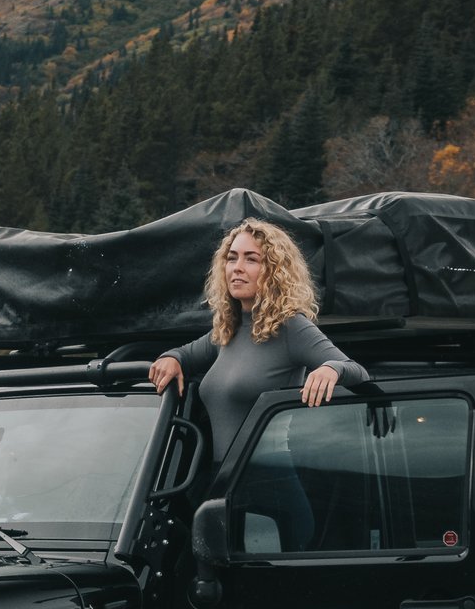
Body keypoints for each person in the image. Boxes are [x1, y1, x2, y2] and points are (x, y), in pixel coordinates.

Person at [148, 218, 369, 547]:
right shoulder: (228, 329)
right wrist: (173, 358)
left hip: (271, 479)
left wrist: (332, 370)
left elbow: (355, 368)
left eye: (251, 259)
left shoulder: (291, 327)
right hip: (222, 480)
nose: (237, 267)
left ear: (275, 270)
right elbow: (186, 353)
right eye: (232, 257)